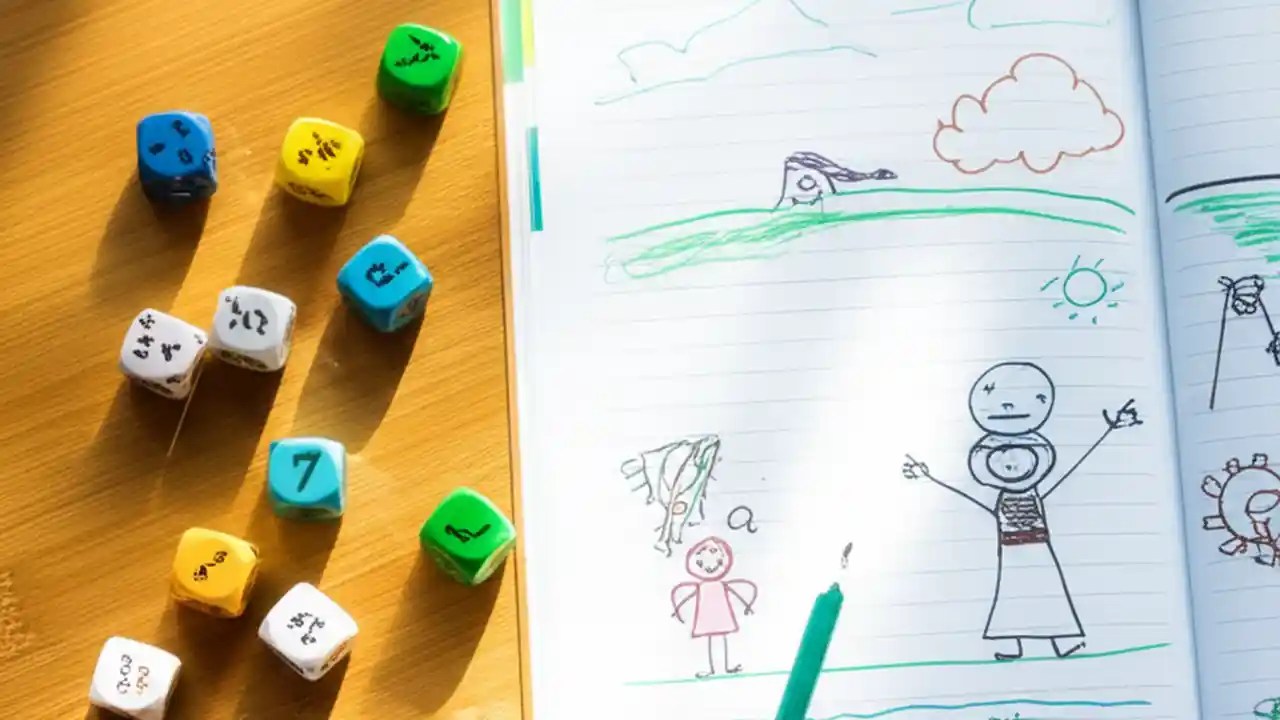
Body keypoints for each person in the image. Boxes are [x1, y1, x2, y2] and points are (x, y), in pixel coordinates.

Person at [902, 361, 1141, 660]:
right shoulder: (998, 496)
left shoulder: (1036, 490)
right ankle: (1011, 645)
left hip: (1039, 547)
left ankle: (1062, 642)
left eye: (1020, 460)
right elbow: (967, 495)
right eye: (1002, 461)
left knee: (1050, 591)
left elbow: (1073, 465)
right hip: (1011, 550)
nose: (1012, 465)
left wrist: (1108, 429)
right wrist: (928, 476)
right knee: (1012, 595)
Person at [670, 536, 758, 677]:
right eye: (701, 562)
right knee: (713, 639)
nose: (710, 567)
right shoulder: (702, 586)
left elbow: (735, 592)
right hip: (708, 616)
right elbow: (689, 596)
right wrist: (678, 609)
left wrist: (747, 604)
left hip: (721, 614)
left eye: (718, 561)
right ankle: (714, 669)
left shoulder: (718, 585)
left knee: (720, 638)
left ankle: (724, 667)